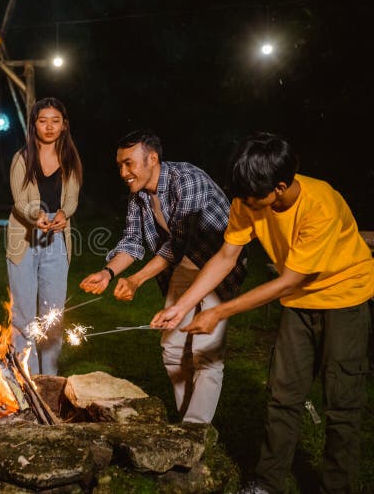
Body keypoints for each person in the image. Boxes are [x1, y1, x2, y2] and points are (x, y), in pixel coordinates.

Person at [152, 133, 373, 494]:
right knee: (283, 395)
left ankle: (338, 486)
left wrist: (219, 311)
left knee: (342, 402)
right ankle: (267, 482)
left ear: (280, 187)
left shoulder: (321, 205)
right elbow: (225, 258)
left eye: (253, 199)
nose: (244, 205)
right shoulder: (248, 199)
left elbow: (287, 281)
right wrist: (181, 305)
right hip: (299, 303)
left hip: (344, 297)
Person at [79, 130, 246, 423]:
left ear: (152, 158)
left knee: (205, 354)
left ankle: (194, 430)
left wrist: (136, 280)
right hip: (183, 266)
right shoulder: (139, 194)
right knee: (172, 347)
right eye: (119, 165)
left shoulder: (187, 180)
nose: (123, 172)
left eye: (129, 164)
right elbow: (132, 241)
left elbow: (176, 245)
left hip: (218, 263)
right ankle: (187, 422)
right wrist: (108, 273)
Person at [7, 97, 83, 375]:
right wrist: (35, 214)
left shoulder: (70, 158)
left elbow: (72, 197)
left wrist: (64, 213)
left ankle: (48, 382)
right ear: (34, 125)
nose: (49, 127)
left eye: (55, 121)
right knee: (24, 316)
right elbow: (19, 199)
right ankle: (27, 383)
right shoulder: (22, 158)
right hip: (23, 238)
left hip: (57, 238)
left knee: (53, 317)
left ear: (64, 125)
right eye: (43, 121)